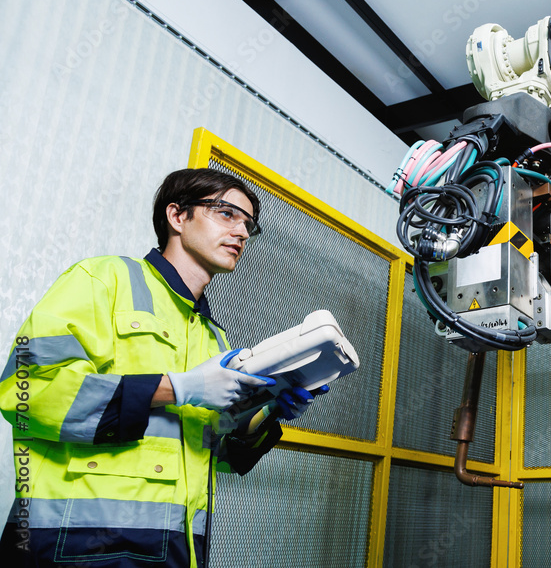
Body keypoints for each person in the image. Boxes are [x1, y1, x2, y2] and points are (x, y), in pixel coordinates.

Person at [0, 168, 325, 568]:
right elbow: (27, 392)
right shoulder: (103, 279)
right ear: (177, 216)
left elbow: (216, 455)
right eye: (227, 213)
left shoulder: (215, 339)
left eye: (249, 224)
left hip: (177, 550)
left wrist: (267, 410)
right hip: (73, 547)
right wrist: (179, 388)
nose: (241, 232)